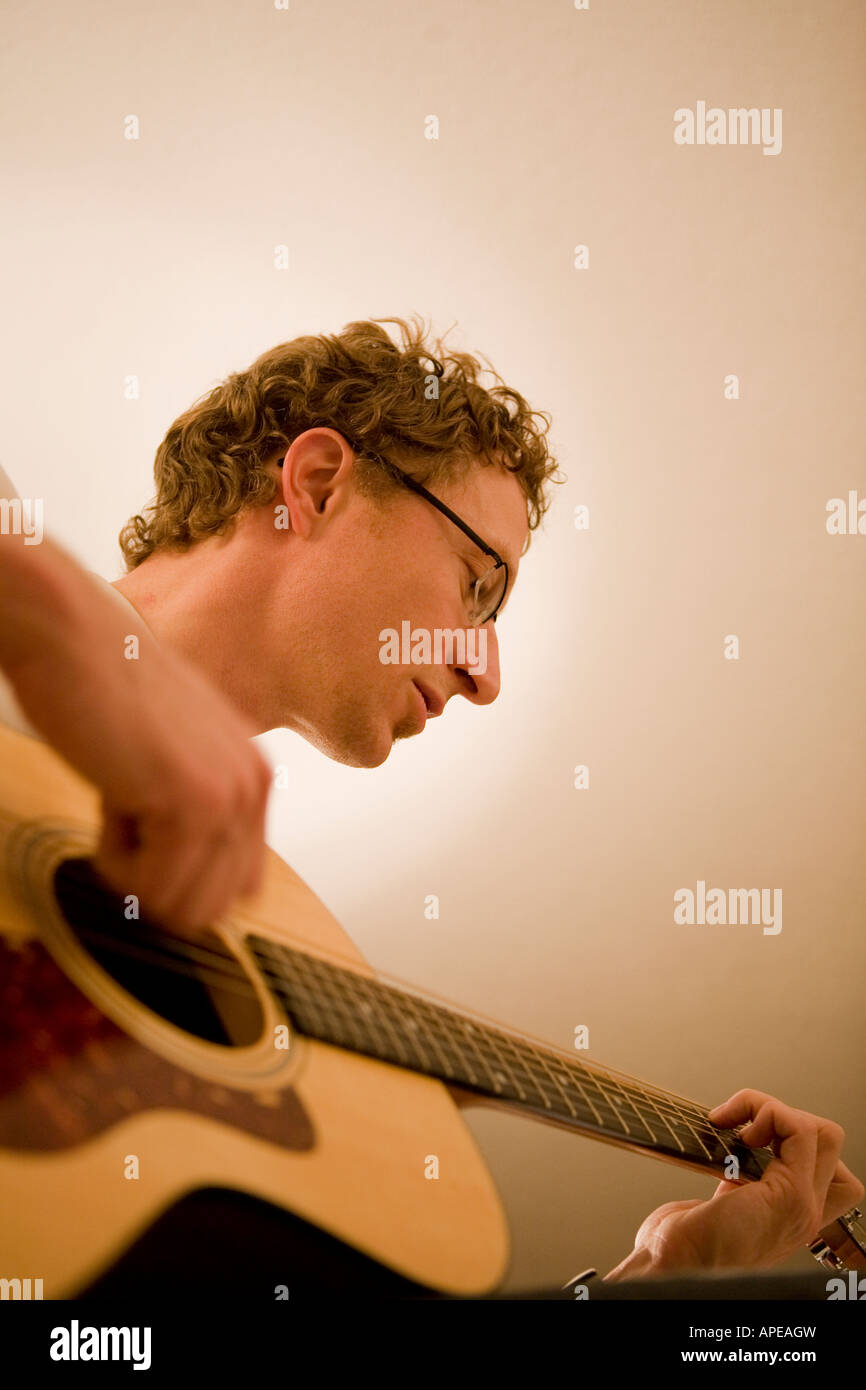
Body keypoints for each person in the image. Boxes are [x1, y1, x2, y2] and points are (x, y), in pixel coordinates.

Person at [0, 317, 861, 1293]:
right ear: (318, 483)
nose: (484, 672)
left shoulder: (249, 918)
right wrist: (46, 612)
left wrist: (672, 1271)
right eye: (475, 583)